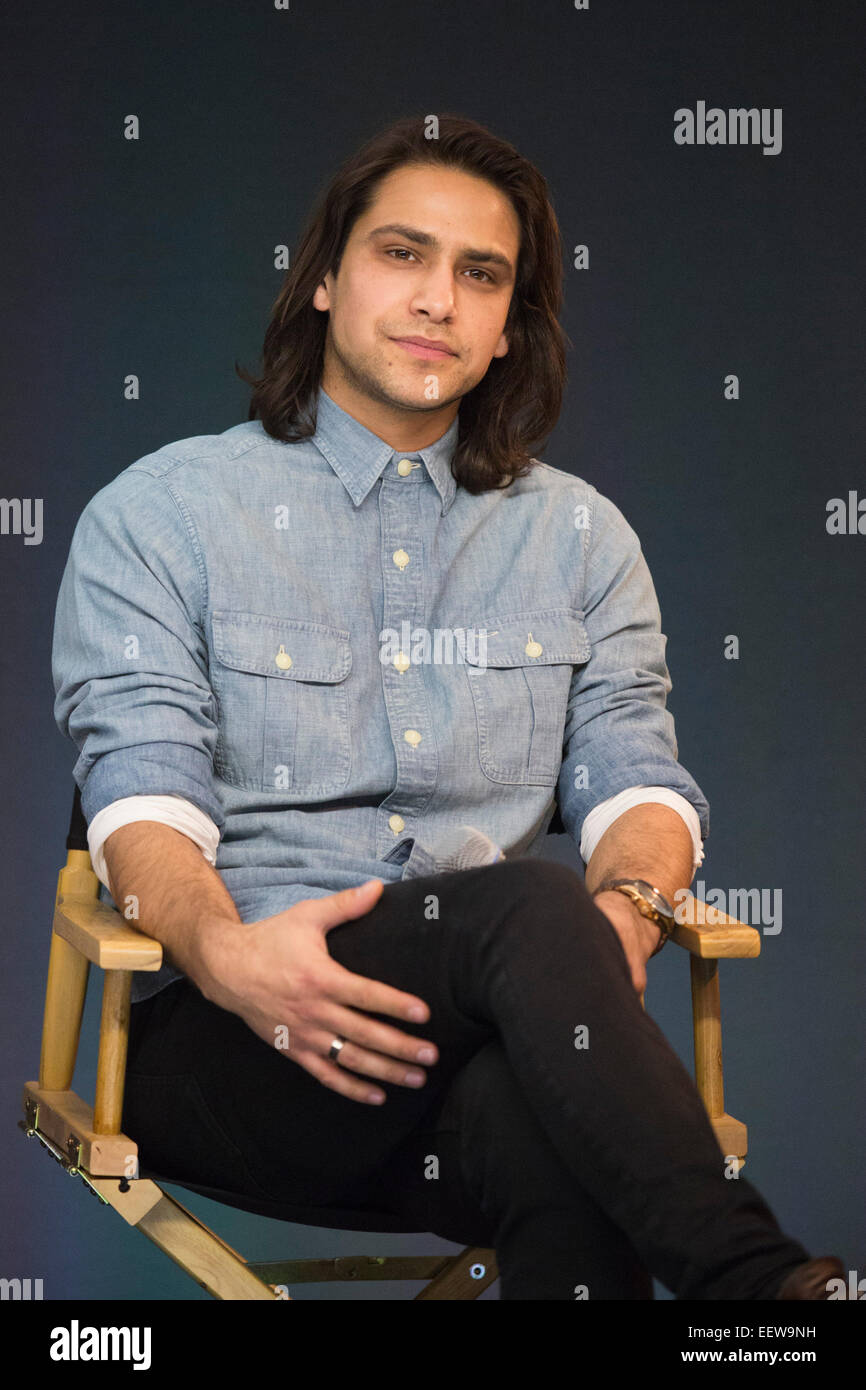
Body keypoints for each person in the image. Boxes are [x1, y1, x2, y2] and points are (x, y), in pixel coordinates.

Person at [52, 113, 842, 1299]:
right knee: (530, 907)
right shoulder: (162, 515)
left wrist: (623, 908)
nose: (438, 299)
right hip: (239, 1040)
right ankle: (759, 1288)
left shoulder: (580, 538)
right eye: (401, 255)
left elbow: (639, 778)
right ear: (322, 279)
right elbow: (139, 796)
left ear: (510, 324)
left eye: (480, 274)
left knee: (559, 1151)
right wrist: (224, 952)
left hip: (483, 1056)